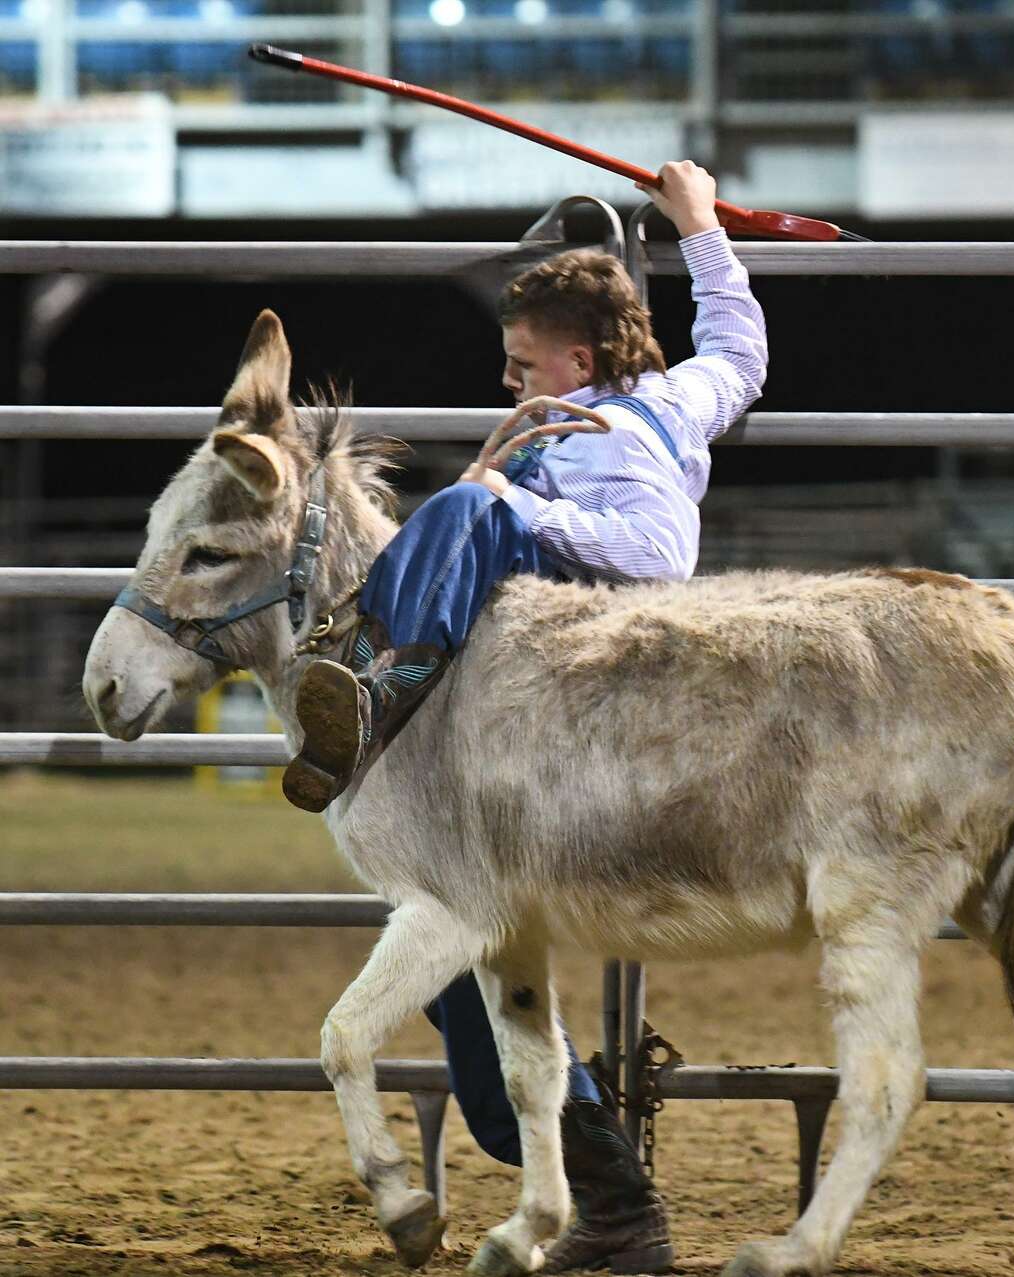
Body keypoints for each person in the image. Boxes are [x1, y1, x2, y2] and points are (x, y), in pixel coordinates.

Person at [284, 160, 768, 1273]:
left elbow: (655, 559)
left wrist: (516, 497)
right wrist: (699, 228)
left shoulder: (603, 439)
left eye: (519, 367)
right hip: (565, 685)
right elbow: (739, 350)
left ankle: (373, 681)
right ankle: (585, 1188)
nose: (509, 385)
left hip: (587, 681)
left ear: (579, 360)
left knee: (463, 500)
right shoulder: (670, 400)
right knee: (467, 501)